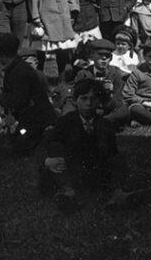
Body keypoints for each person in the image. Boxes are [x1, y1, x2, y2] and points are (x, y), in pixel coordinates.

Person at [37, 79, 130, 211]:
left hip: (95, 170)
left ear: (99, 101)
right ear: (76, 100)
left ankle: (118, 194)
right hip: (72, 169)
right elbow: (42, 146)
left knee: (119, 158)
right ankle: (68, 193)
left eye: (93, 99)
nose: (88, 103)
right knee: (55, 146)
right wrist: (47, 161)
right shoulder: (65, 122)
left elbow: (112, 153)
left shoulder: (104, 124)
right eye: (84, 98)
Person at [0, 31, 56, 148]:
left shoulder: (19, 72)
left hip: (36, 121)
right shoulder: (17, 67)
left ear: (0, 53)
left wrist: (1, 96)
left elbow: (18, 101)